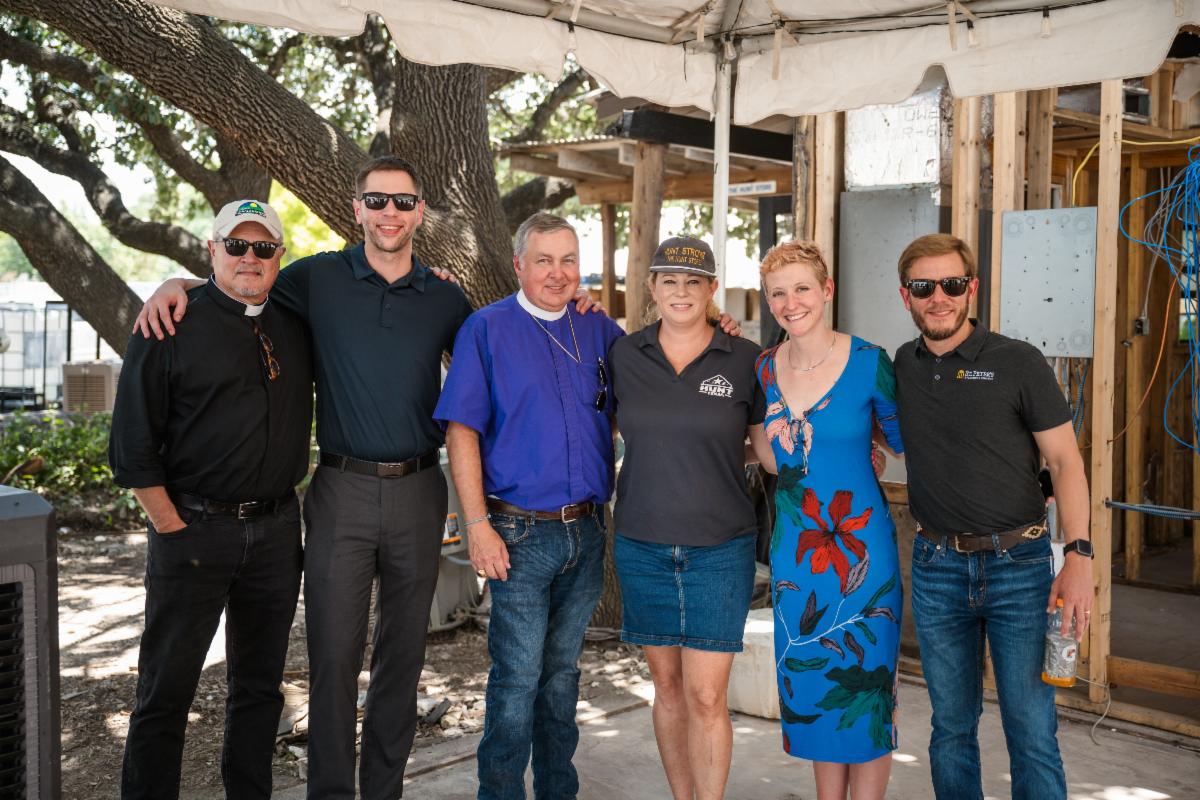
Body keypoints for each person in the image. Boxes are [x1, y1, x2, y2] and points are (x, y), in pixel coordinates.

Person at [134, 156, 475, 800]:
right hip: (340, 490)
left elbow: (494, 355)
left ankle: (384, 791)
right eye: (377, 201)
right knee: (333, 659)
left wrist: (577, 306)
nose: (390, 213)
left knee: (401, 660)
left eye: (403, 202)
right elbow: (239, 281)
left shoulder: (444, 297)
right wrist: (172, 283)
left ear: (420, 212)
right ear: (356, 208)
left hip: (419, 491)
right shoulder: (316, 278)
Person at [110, 199, 313, 799]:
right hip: (193, 531)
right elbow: (132, 443)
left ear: (279, 255)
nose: (249, 258)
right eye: (236, 245)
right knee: (165, 692)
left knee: (259, 690)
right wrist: (172, 525)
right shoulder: (168, 322)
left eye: (263, 247)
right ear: (212, 249)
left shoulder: (295, 320)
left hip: (277, 532)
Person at [893, 233, 1093, 800]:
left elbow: (1065, 463)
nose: (939, 297)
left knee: (1031, 731)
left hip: (1020, 567)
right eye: (924, 286)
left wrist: (1078, 555)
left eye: (952, 285)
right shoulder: (899, 366)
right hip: (936, 567)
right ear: (905, 294)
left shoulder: (1017, 362)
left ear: (971, 289)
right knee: (950, 729)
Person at [434, 212, 625, 800]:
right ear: (519, 264)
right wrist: (477, 525)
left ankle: (556, 791)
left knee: (562, 678)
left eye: (569, 259)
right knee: (516, 680)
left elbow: (647, 386)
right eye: (544, 260)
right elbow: (461, 430)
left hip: (587, 531)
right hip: (516, 533)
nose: (557, 272)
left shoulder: (600, 331)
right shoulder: (486, 330)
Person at [606, 236, 770, 800]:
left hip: (720, 548)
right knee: (668, 689)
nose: (681, 291)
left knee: (706, 696)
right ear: (651, 288)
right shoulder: (625, 355)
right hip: (643, 544)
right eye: (669, 280)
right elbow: (600, 434)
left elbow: (764, 450)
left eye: (693, 281)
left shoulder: (746, 359)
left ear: (710, 290)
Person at [755, 241, 905, 800]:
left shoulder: (870, 362)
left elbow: (903, 444)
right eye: (778, 293)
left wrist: (871, 446)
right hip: (797, 553)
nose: (791, 302)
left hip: (862, 553)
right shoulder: (764, 368)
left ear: (826, 291)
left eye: (801, 289)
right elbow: (771, 457)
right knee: (814, 689)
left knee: (864, 691)